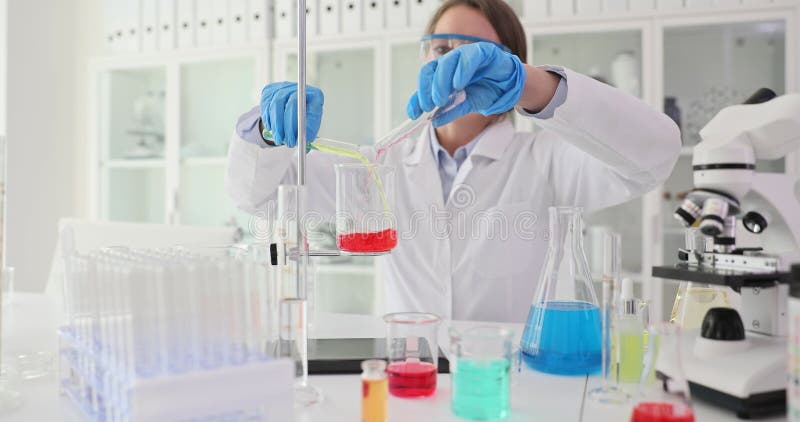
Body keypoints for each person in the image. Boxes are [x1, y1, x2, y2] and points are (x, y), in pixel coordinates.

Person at [226, 0, 680, 323]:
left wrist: (534, 86)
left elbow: (653, 156)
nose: (452, 64)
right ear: (424, 57)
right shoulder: (376, 166)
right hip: (405, 378)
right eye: (441, 49)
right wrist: (267, 132)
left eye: (473, 54)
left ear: (511, 68)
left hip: (505, 381)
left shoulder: (546, 160)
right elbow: (259, 197)